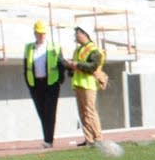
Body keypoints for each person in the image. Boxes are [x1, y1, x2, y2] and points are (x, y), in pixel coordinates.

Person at [21, 20, 67, 148]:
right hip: (36, 84)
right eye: (39, 33)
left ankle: (48, 140)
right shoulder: (29, 48)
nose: (41, 36)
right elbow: (26, 66)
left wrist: (60, 80)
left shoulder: (54, 47)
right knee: (41, 111)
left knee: (50, 111)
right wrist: (29, 83)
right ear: (34, 33)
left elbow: (61, 64)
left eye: (43, 33)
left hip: (51, 83)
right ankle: (47, 137)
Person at [69, 27, 110, 146]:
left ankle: (98, 137)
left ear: (84, 34)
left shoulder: (93, 49)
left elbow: (93, 66)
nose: (75, 37)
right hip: (78, 83)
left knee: (90, 111)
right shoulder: (77, 50)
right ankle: (88, 139)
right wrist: (70, 66)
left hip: (89, 83)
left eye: (77, 34)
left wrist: (77, 64)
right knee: (82, 112)